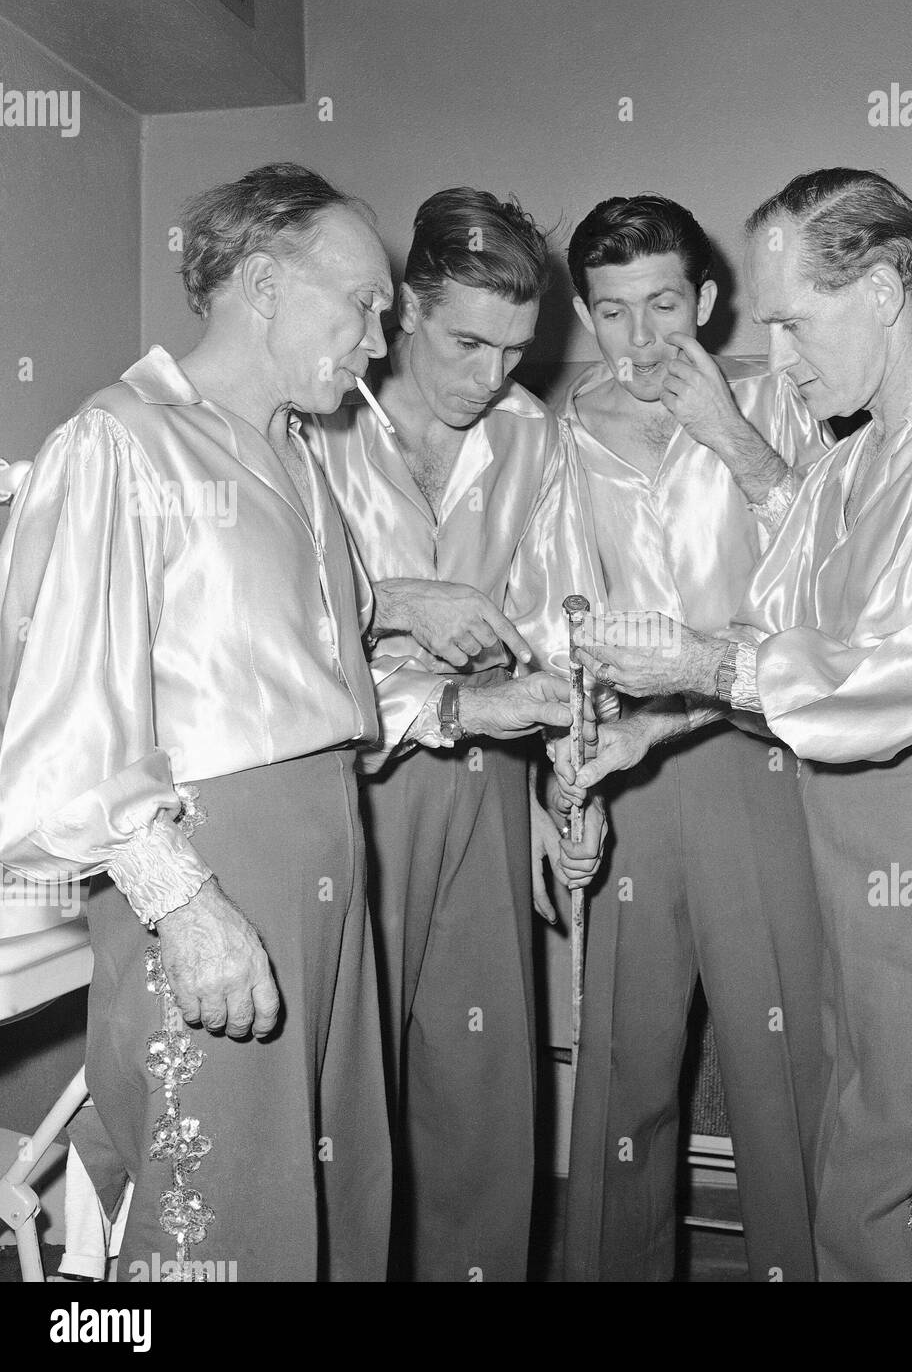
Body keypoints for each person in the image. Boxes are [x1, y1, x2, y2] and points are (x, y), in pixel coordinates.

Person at [0, 163, 574, 1282]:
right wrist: (183, 901)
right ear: (262, 283)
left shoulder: (294, 458)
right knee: (220, 1217)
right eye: (360, 304)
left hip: (328, 863)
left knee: (335, 1198)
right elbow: (63, 715)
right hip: (216, 873)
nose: (376, 337)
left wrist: (472, 702)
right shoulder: (122, 440)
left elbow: (318, 677)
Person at [575, 169, 912, 1282]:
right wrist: (658, 722)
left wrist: (698, 664)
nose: (784, 357)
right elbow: (808, 579)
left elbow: (893, 673)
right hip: (859, 855)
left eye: (793, 322)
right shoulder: (872, 448)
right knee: (863, 1157)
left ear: (886, 288)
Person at [304, 188, 605, 1283]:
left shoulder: (531, 435)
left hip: (482, 777)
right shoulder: (317, 413)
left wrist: (536, 791)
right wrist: (393, 596)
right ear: (403, 311)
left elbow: (541, 631)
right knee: (348, 1089)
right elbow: (268, 619)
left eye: (516, 349)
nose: (490, 377)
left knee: (481, 1095)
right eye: (467, 341)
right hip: (346, 779)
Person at [550, 193, 832, 1282]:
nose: (642, 338)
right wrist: (560, 775)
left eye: (663, 304)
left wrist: (729, 432)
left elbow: (836, 574)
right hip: (625, 760)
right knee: (622, 1060)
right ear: (585, 313)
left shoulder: (782, 400)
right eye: (613, 313)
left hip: (756, 743)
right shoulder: (559, 431)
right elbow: (551, 619)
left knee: (781, 1058)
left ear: (707, 302)